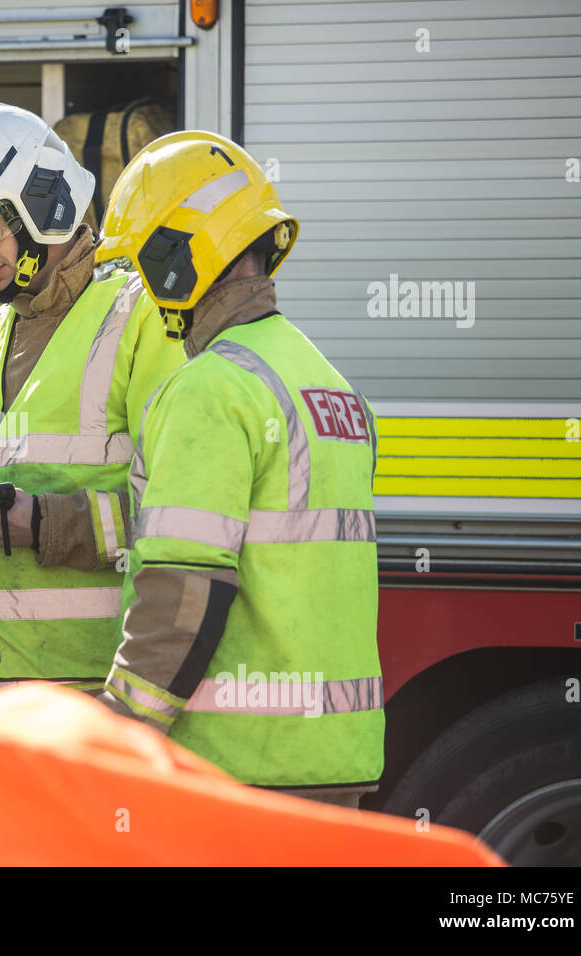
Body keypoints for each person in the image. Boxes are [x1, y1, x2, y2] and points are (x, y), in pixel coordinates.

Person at [92, 130, 384, 807]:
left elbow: (183, 593)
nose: (140, 285)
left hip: (240, 766)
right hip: (339, 756)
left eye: (142, 263)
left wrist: (119, 737)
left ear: (177, 258)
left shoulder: (210, 389)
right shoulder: (334, 387)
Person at [0, 102, 185, 692]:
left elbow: (186, 523)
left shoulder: (145, 320)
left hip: (90, 698)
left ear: (46, 202)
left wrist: (45, 524)